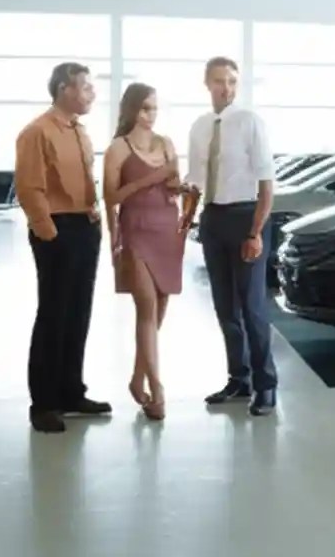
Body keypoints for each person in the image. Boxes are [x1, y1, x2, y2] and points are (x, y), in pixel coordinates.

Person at [14, 62, 111, 434]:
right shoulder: (37, 132)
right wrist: (48, 232)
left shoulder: (79, 132)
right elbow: (28, 187)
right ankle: (44, 403)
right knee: (53, 315)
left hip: (85, 226)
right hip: (57, 230)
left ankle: (71, 391)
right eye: (85, 87)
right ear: (64, 89)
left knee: (78, 313)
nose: (91, 94)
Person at [181, 56, 278, 416]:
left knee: (252, 306)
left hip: (246, 217)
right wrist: (185, 221)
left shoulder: (250, 122)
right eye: (220, 80)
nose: (227, 87)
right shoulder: (200, 126)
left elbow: (267, 185)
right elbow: (194, 181)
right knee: (225, 307)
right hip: (214, 218)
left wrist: (255, 233)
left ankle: (266, 385)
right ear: (207, 83)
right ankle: (240, 379)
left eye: (233, 81)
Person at [103, 83, 185, 421]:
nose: (150, 115)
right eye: (144, 108)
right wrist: (113, 241)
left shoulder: (166, 144)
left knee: (159, 309)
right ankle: (157, 388)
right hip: (135, 231)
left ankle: (137, 378)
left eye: (154, 109)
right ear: (131, 110)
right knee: (146, 308)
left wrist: (177, 184)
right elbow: (111, 199)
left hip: (167, 229)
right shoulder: (117, 149)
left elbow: (174, 188)